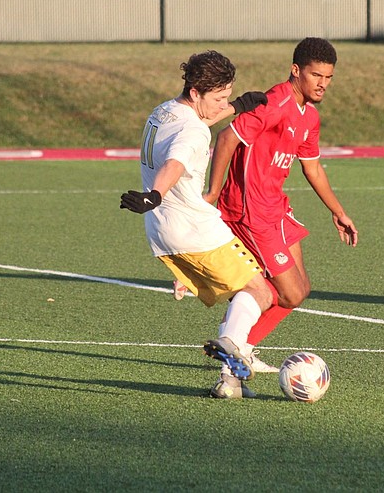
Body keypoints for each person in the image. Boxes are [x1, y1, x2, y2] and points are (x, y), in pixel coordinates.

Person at [119, 50, 273, 399]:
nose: (222, 104)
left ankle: (230, 383)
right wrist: (154, 195)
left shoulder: (163, 111)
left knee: (239, 295)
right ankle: (230, 345)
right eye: (218, 98)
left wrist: (238, 106)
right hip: (194, 227)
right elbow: (175, 162)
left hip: (162, 231)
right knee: (259, 292)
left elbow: (199, 119)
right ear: (195, 92)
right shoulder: (193, 132)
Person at [204, 37, 358, 356]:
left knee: (301, 289)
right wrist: (213, 192)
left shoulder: (309, 116)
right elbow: (226, 137)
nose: (323, 84)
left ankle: (239, 345)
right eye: (316, 75)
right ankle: (235, 343)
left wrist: (338, 211)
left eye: (329, 77)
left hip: (276, 207)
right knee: (289, 293)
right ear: (296, 70)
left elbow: (312, 168)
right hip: (250, 209)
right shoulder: (274, 103)